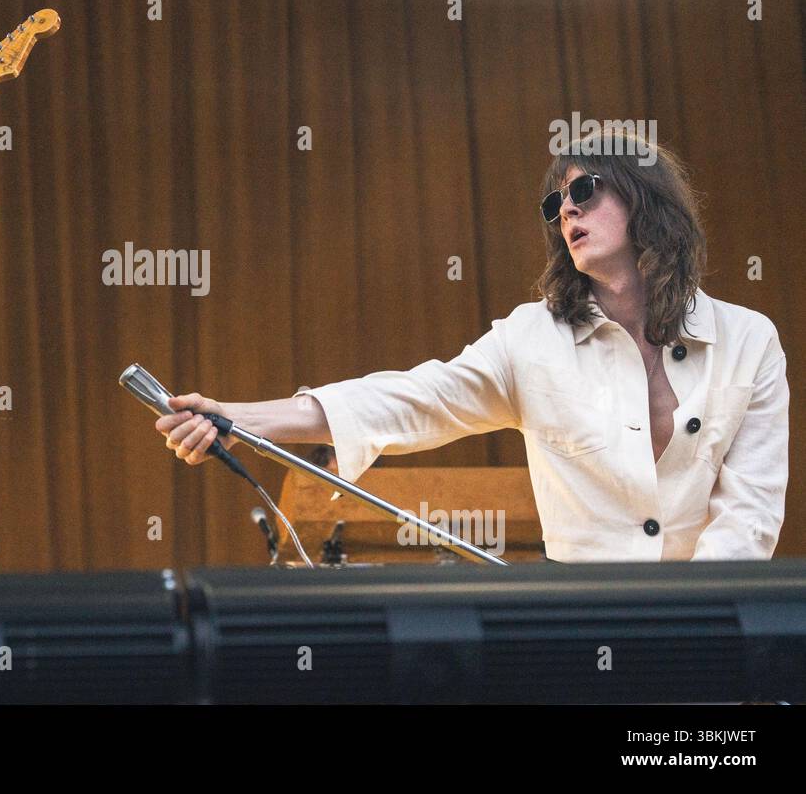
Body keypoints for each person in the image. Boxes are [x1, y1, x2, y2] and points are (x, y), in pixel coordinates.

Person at [156, 134, 789, 562]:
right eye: (554, 202)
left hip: (709, 632)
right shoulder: (529, 339)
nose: (565, 210)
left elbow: (750, 514)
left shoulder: (750, 340)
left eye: (584, 191)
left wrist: (695, 619)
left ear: (645, 198)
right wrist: (239, 418)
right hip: (587, 635)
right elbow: (407, 400)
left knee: (704, 766)